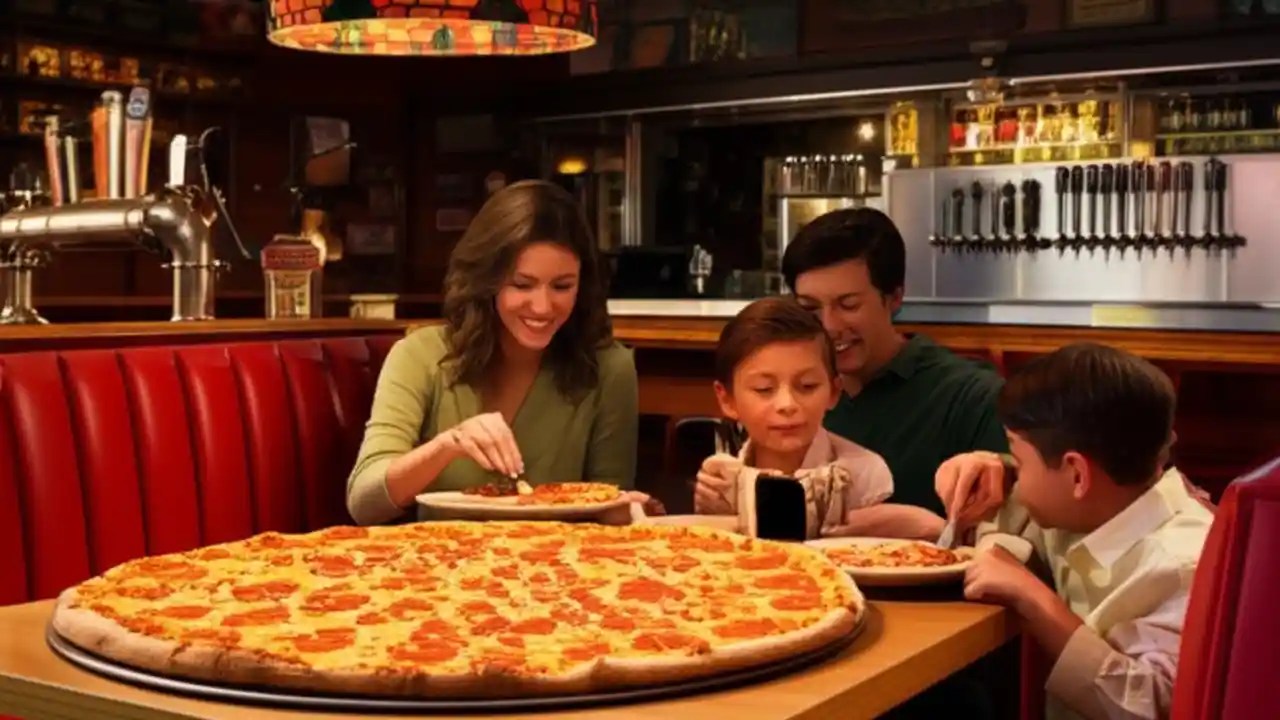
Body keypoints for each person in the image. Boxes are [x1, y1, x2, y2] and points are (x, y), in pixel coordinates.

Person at [935, 343, 1212, 720]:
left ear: (1077, 474)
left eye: (1018, 458)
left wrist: (1037, 601)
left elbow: (1154, 706)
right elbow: (1015, 523)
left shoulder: (1182, 564)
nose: (1017, 477)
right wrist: (990, 468)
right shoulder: (1098, 504)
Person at [346, 180, 639, 526]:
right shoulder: (419, 355)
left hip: (558, 569)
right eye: (522, 284)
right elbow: (364, 503)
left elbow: (609, 514)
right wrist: (449, 445)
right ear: (487, 280)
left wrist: (632, 509)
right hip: (431, 568)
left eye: (562, 286)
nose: (543, 307)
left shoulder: (609, 368)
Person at [695, 297, 946, 539]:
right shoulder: (722, 481)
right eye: (764, 389)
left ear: (834, 392)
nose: (787, 405)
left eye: (807, 386)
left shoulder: (863, 472)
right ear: (727, 400)